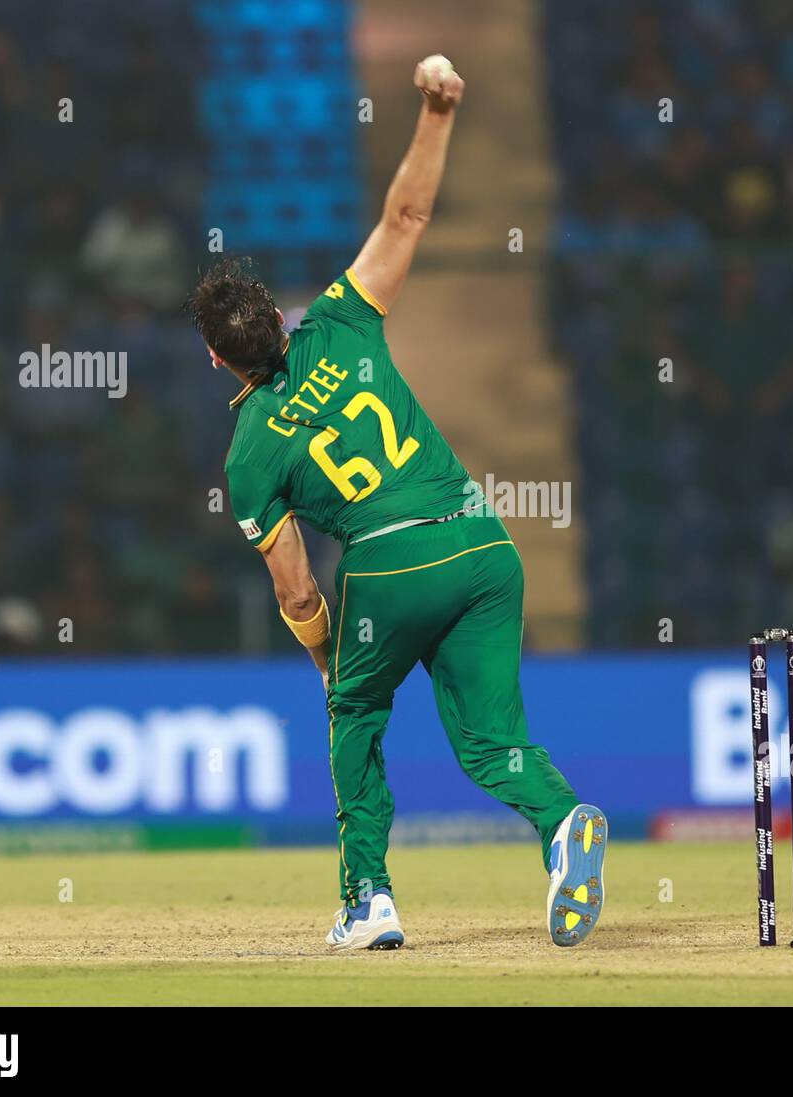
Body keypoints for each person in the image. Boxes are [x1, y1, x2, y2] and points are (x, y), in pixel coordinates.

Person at [185, 57, 606, 951]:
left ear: (218, 360)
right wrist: (438, 108)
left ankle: (367, 899)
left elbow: (300, 594)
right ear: (278, 314)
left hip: (393, 561)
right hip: (485, 545)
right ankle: (563, 819)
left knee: (357, 715)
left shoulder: (249, 452)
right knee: (493, 741)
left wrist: (331, 659)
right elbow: (407, 213)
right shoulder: (340, 317)